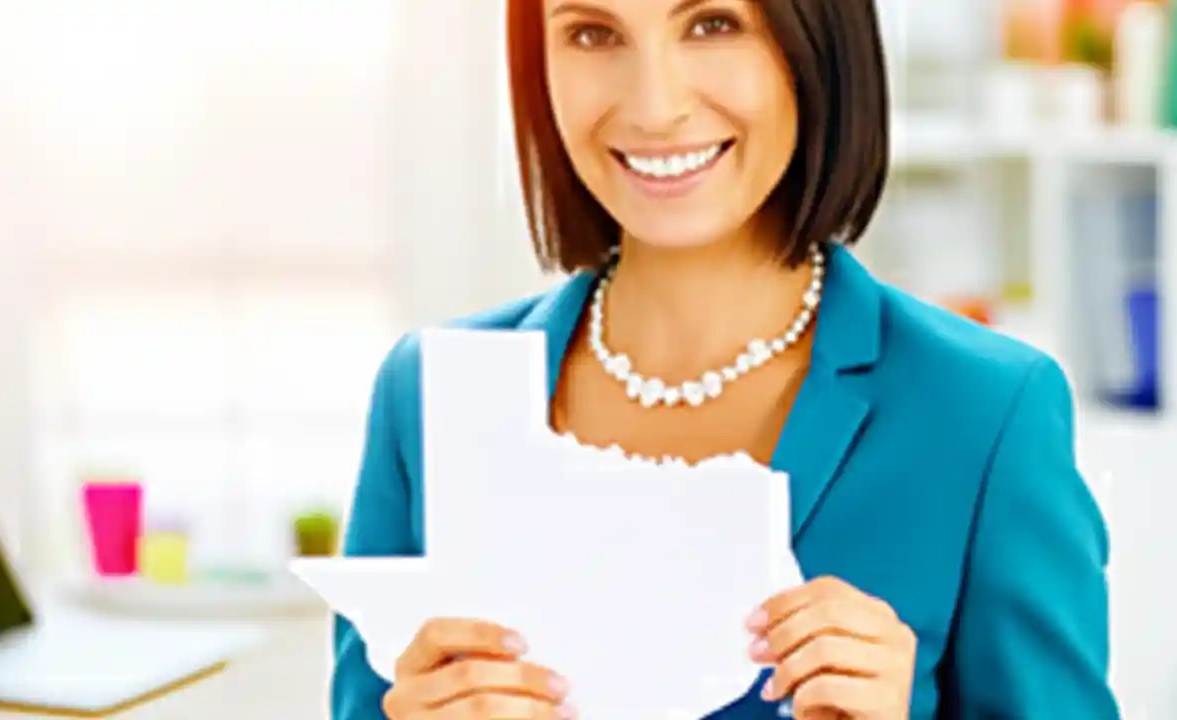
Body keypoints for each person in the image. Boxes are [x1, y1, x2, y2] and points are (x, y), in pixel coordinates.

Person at [333, 0, 1119, 717]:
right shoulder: (430, 395)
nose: (654, 105)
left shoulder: (980, 413)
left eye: (713, 24)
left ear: (817, 44)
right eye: (591, 34)